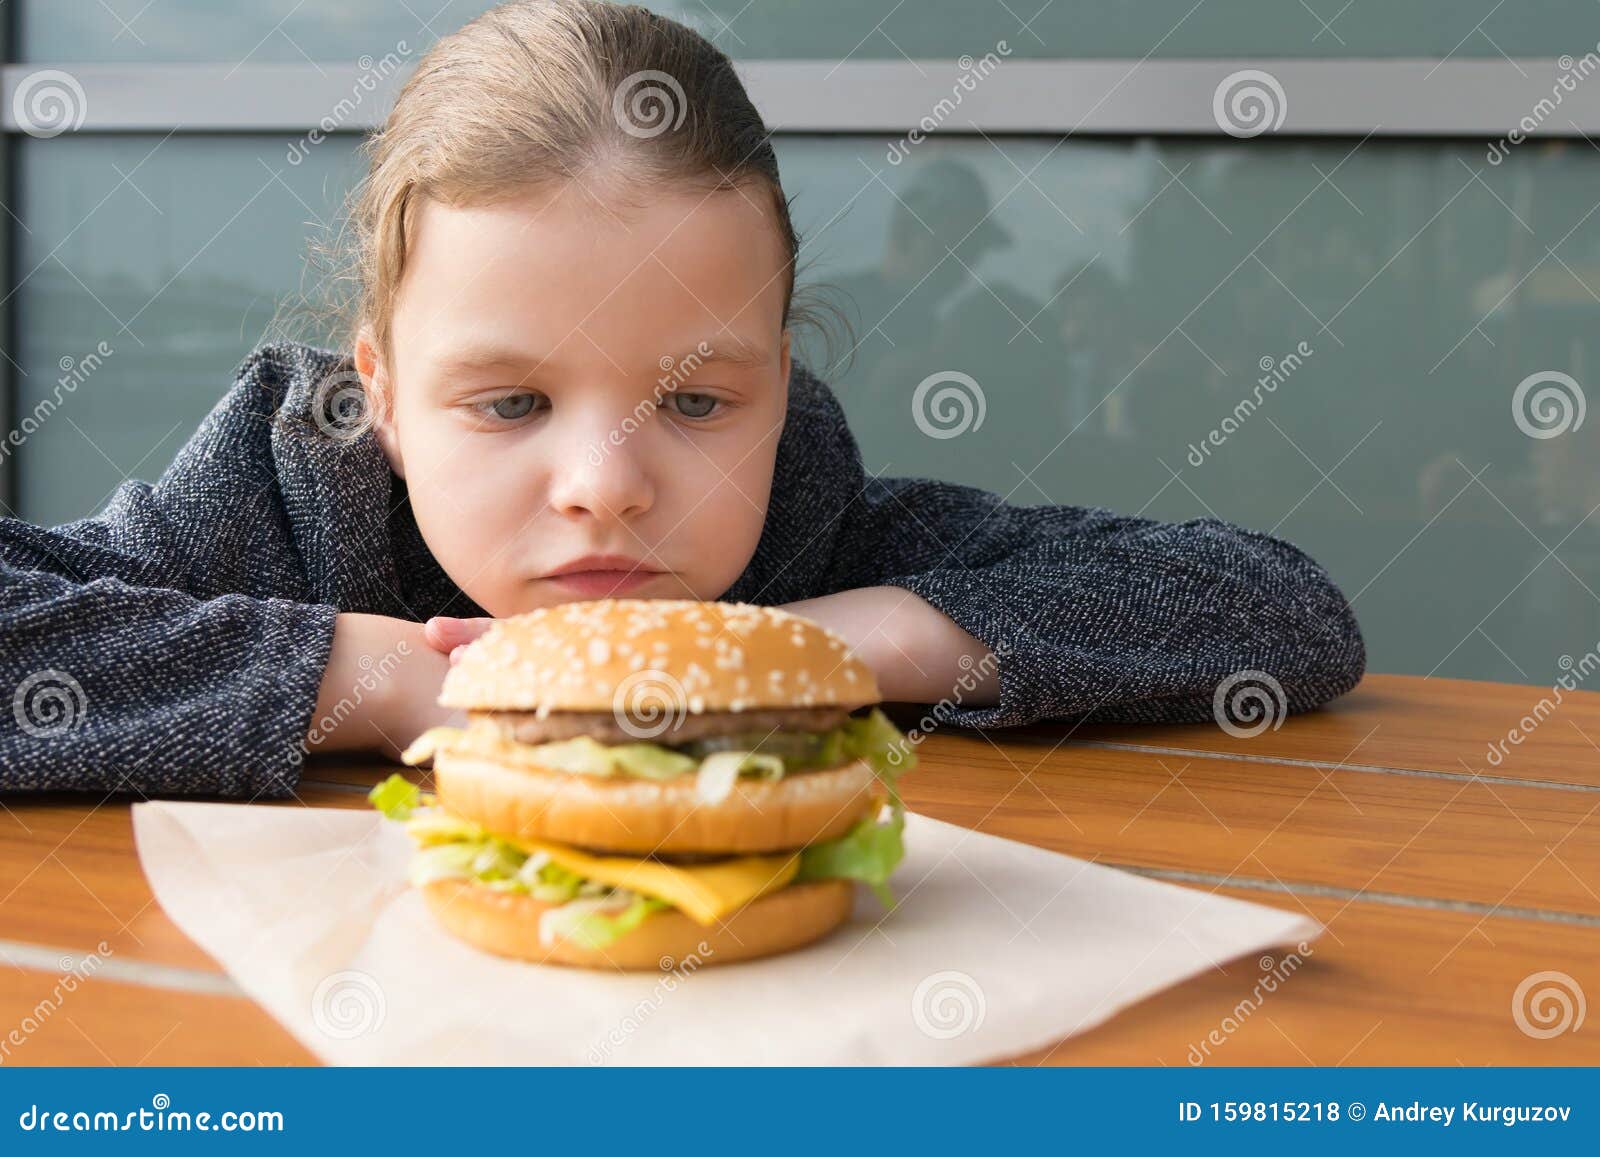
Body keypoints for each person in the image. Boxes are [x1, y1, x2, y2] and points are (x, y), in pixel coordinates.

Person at [0, 0, 1364, 798]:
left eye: (700, 404)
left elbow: (1283, 608)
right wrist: (385, 683)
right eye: (511, 403)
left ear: (780, 385)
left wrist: (848, 644)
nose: (608, 485)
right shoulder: (261, 513)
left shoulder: (812, 537)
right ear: (385, 397)